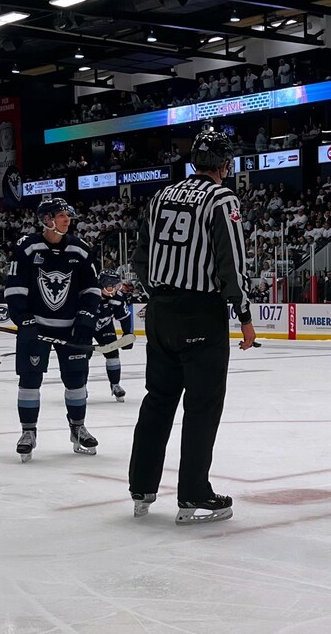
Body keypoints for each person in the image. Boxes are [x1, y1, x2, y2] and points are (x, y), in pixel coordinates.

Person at [128, 128, 255, 525]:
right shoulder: (222, 198)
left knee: (158, 399)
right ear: (224, 164)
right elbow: (231, 263)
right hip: (201, 311)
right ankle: (193, 492)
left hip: (160, 311)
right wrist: (245, 316)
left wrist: (161, 294)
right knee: (202, 405)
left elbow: (140, 258)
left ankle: (142, 487)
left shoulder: (161, 196)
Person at [5, 197, 102, 462]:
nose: (67, 219)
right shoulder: (26, 247)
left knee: (76, 381)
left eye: (67, 215)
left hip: (70, 329)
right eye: (61, 215)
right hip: (36, 327)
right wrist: (23, 319)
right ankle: (28, 432)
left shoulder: (80, 249)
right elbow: (14, 288)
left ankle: (78, 428)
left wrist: (85, 319)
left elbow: (91, 288)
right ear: (47, 220)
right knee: (29, 380)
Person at [94, 269, 133, 401]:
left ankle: (115, 385)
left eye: (117, 286)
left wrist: (127, 334)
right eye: (112, 286)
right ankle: (80, 386)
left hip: (105, 326)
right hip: (84, 327)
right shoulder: (89, 294)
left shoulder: (118, 297)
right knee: (81, 357)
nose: (115, 289)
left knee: (113, 354)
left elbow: (124, 317)